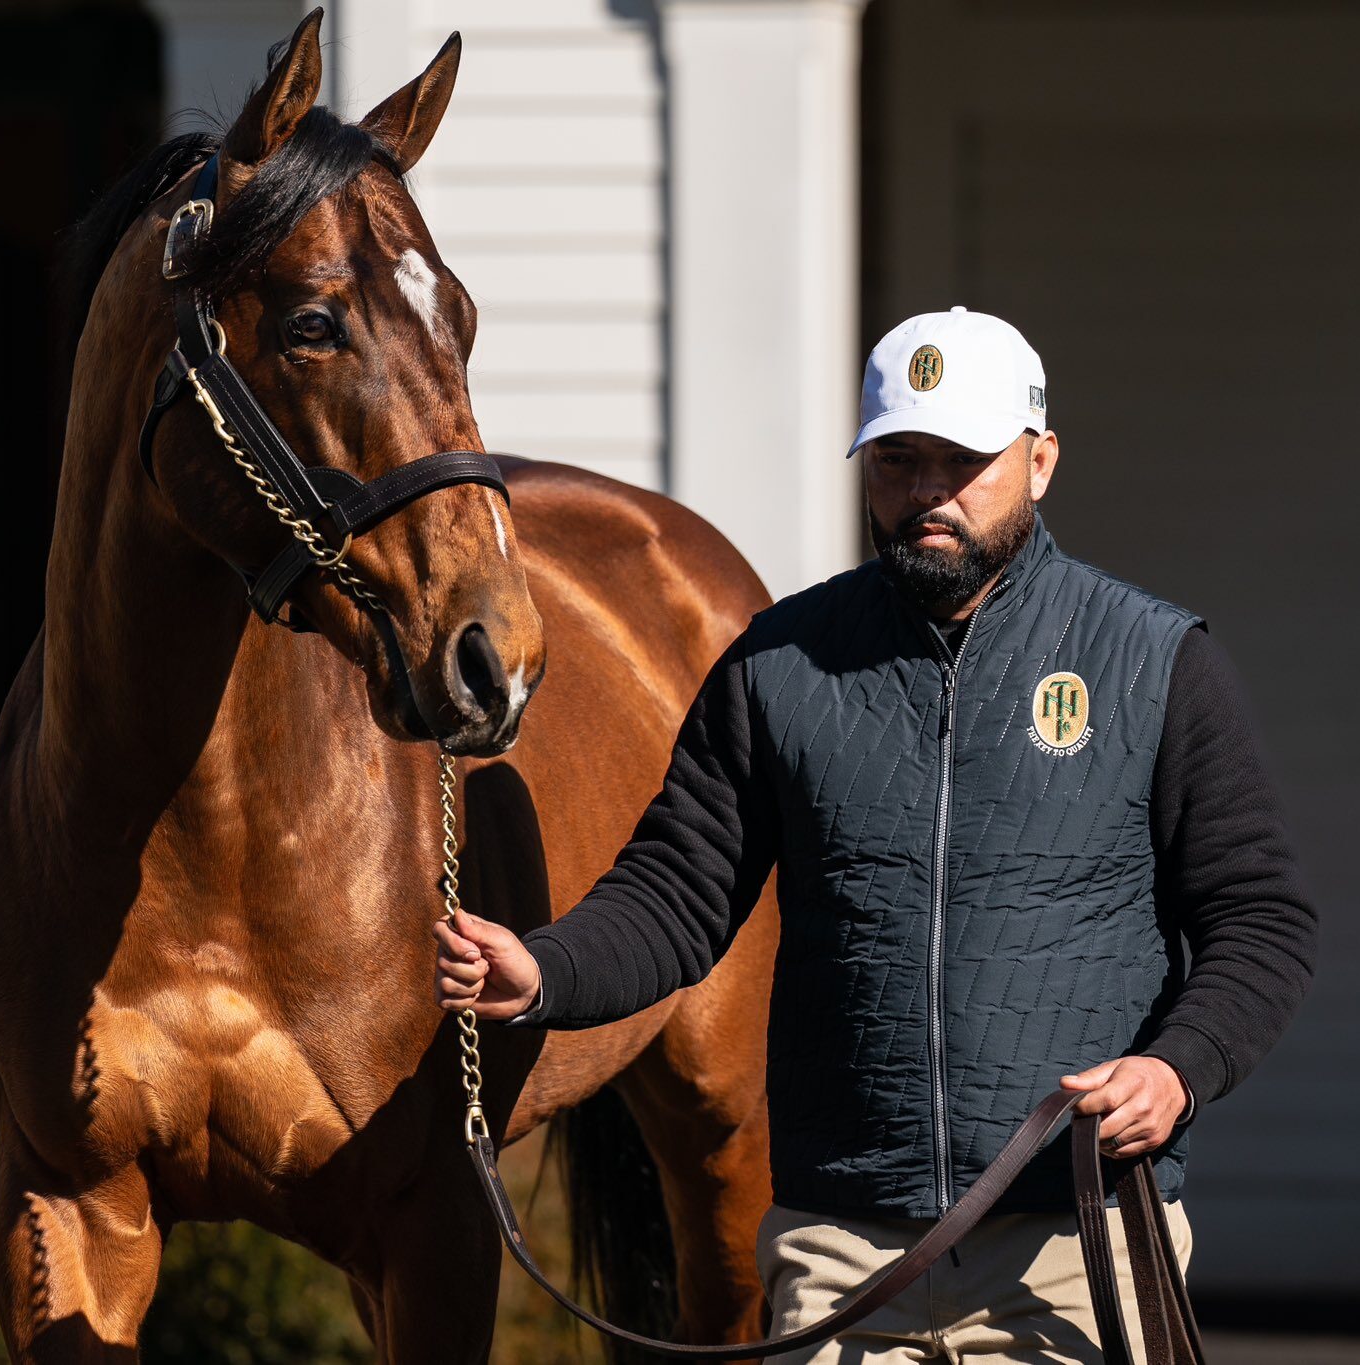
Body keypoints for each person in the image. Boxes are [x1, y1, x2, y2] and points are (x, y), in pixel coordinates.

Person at [431, 307, 1318, 1363]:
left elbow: (1258, 923)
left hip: (1072, 1244)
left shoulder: (1154, 662)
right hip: (840, 1253)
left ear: (1038, 461)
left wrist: (1177, 1069)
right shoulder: (777, 667)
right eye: (898, 458)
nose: (927, 491)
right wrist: (543, 969)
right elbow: (676, 894)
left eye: (963, 460)